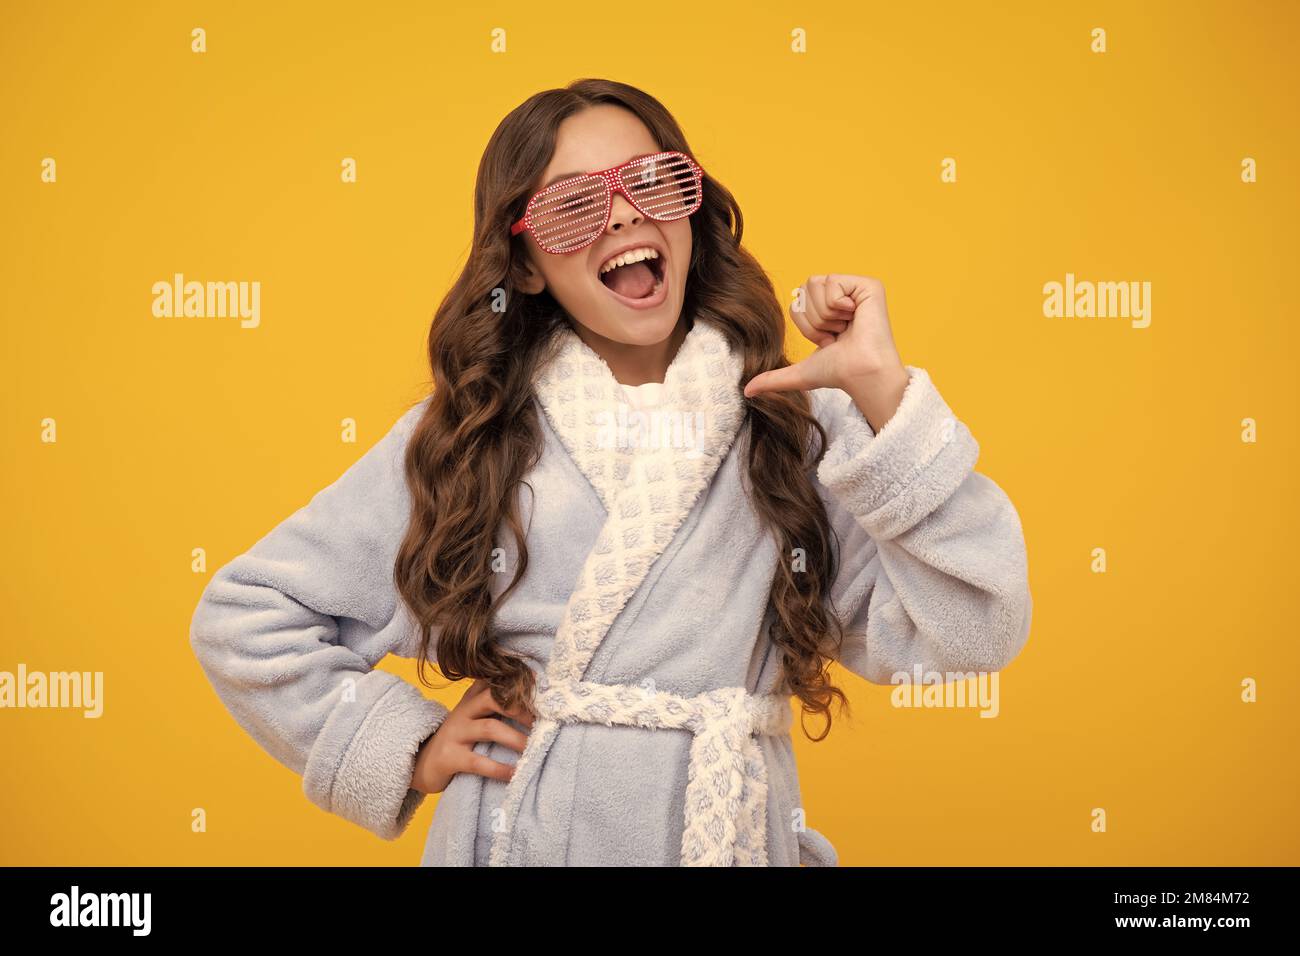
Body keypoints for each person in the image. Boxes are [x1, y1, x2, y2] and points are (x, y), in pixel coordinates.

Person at [188, 77, 1033, 867]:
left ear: (690, 208)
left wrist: (883, 393)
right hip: (530, 836)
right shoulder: (473, 441)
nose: (625, 215)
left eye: (653, 182)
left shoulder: (795, 426)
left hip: (730, 832)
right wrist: (403, 746)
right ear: (523, 265)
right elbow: (247, 614)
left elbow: (971, 634)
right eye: (572, 206)